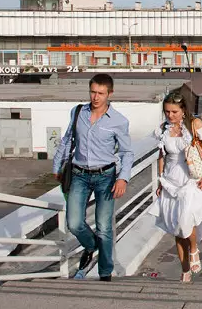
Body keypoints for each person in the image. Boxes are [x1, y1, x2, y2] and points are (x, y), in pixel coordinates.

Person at [53, 73, 133, 282]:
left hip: (106, 176)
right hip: (79, 174)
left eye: (101, 93)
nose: (96, 97)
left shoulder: (119, 121)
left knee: (104, 227)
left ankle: (105, 272)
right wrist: (57, 165)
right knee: (74, 222)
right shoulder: (78, 111)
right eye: (93, 92)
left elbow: (127, 152)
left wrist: (122, 178)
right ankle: (91, 246)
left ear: (109, 94)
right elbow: (67, 139)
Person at [150, 92, 202, 282]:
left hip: (192, 180)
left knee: (185, 219)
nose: (170, 116)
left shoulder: (194, 125)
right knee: (177, 229)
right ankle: (185, 270)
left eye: (174, 112)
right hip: (170, 180)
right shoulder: (163, 129)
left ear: (183, 111)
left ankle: (194, 248)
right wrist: (160, 182)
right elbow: (162, 156)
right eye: (166, 112)